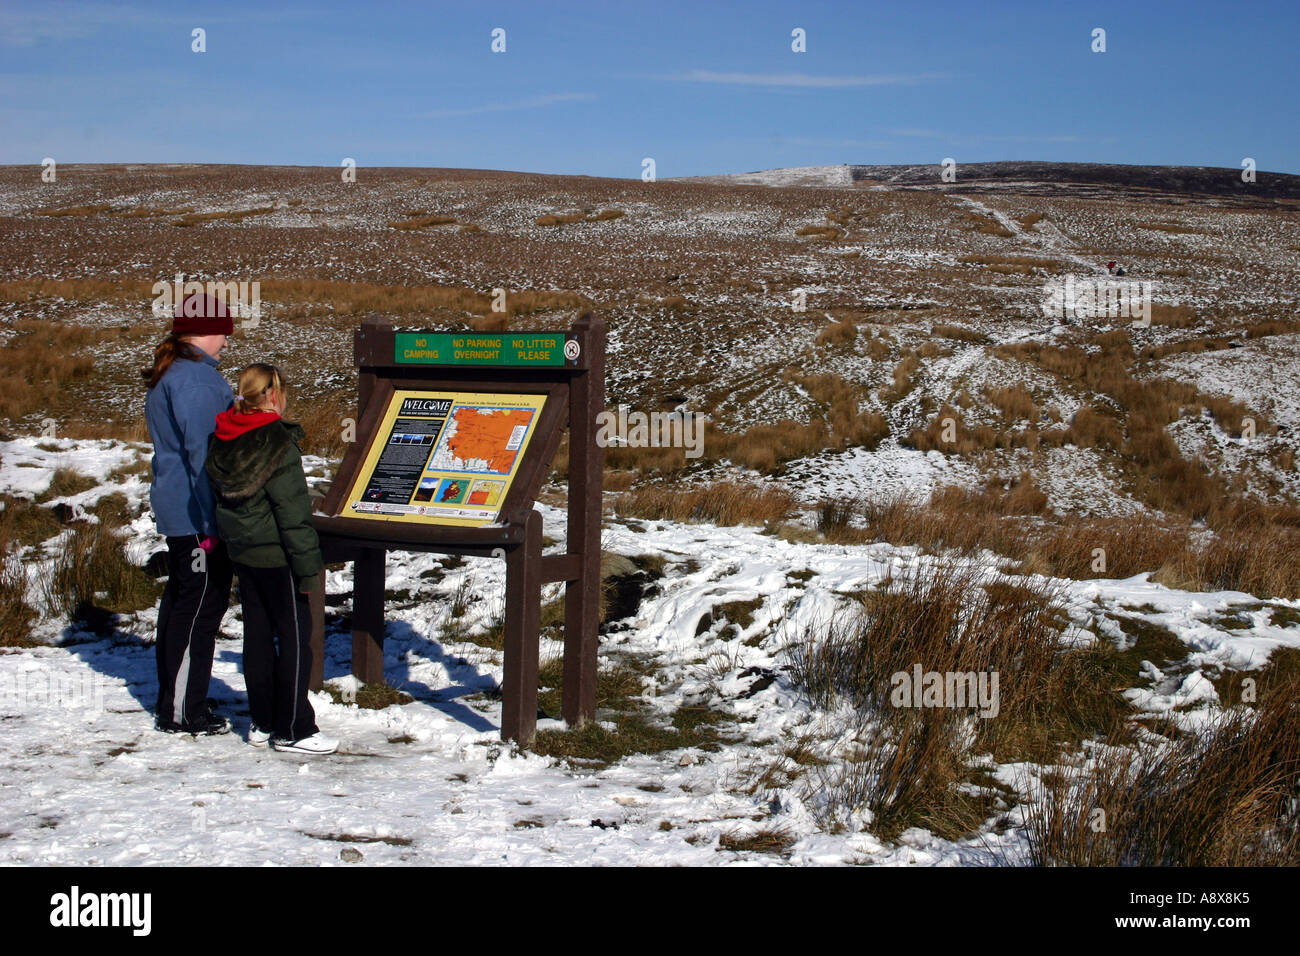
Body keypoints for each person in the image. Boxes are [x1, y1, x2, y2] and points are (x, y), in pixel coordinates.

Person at [205, 364, 338, 755]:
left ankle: (262, 720)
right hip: (277, 554)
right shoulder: (277, 441)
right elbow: (292, 512)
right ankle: (294, 727)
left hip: (243, 550)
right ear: (274, 395)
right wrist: (309, 567)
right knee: (297, 637)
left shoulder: (224, 435)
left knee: (258, 636)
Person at [143, 292, 235, 735]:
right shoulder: (197, 381)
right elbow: (205, 455)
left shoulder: (174, 372)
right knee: (198, 606)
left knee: (183, 600)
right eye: (224, 331)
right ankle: (181, 709)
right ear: (211, 331)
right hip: (197, 513)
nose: (227, 340)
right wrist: (214, 521)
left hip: (179, 505)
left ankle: (182, 694)